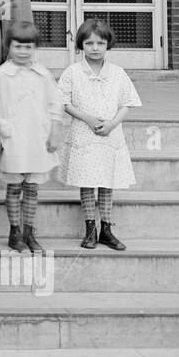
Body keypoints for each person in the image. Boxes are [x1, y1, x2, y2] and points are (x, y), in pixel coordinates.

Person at [56, 19, 141, 251]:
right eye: (89, 42)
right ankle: (90, 228)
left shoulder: (117, 73)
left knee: (106, 182)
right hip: (84, 133)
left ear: (107, 45)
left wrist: (113, 123)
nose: (95, 47)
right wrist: (88, 118)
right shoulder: (73, 72)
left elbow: (127, 103)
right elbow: (63, 101)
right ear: (81, 44)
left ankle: (106, 228)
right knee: (87, 181)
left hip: (109, 136)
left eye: (100, 43)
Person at [0, 20, 64, 255]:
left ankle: (29, 230)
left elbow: (55, 104)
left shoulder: (43, 75)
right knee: (14, 185)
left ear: (35, 48)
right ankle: (14, 231)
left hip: (37, 137)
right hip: (13, 137)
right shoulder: (2, 74)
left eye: (28, 47)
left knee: (32, 186)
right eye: (18, 46)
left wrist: (54, 131)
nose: (23, 52)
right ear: (9, 46)